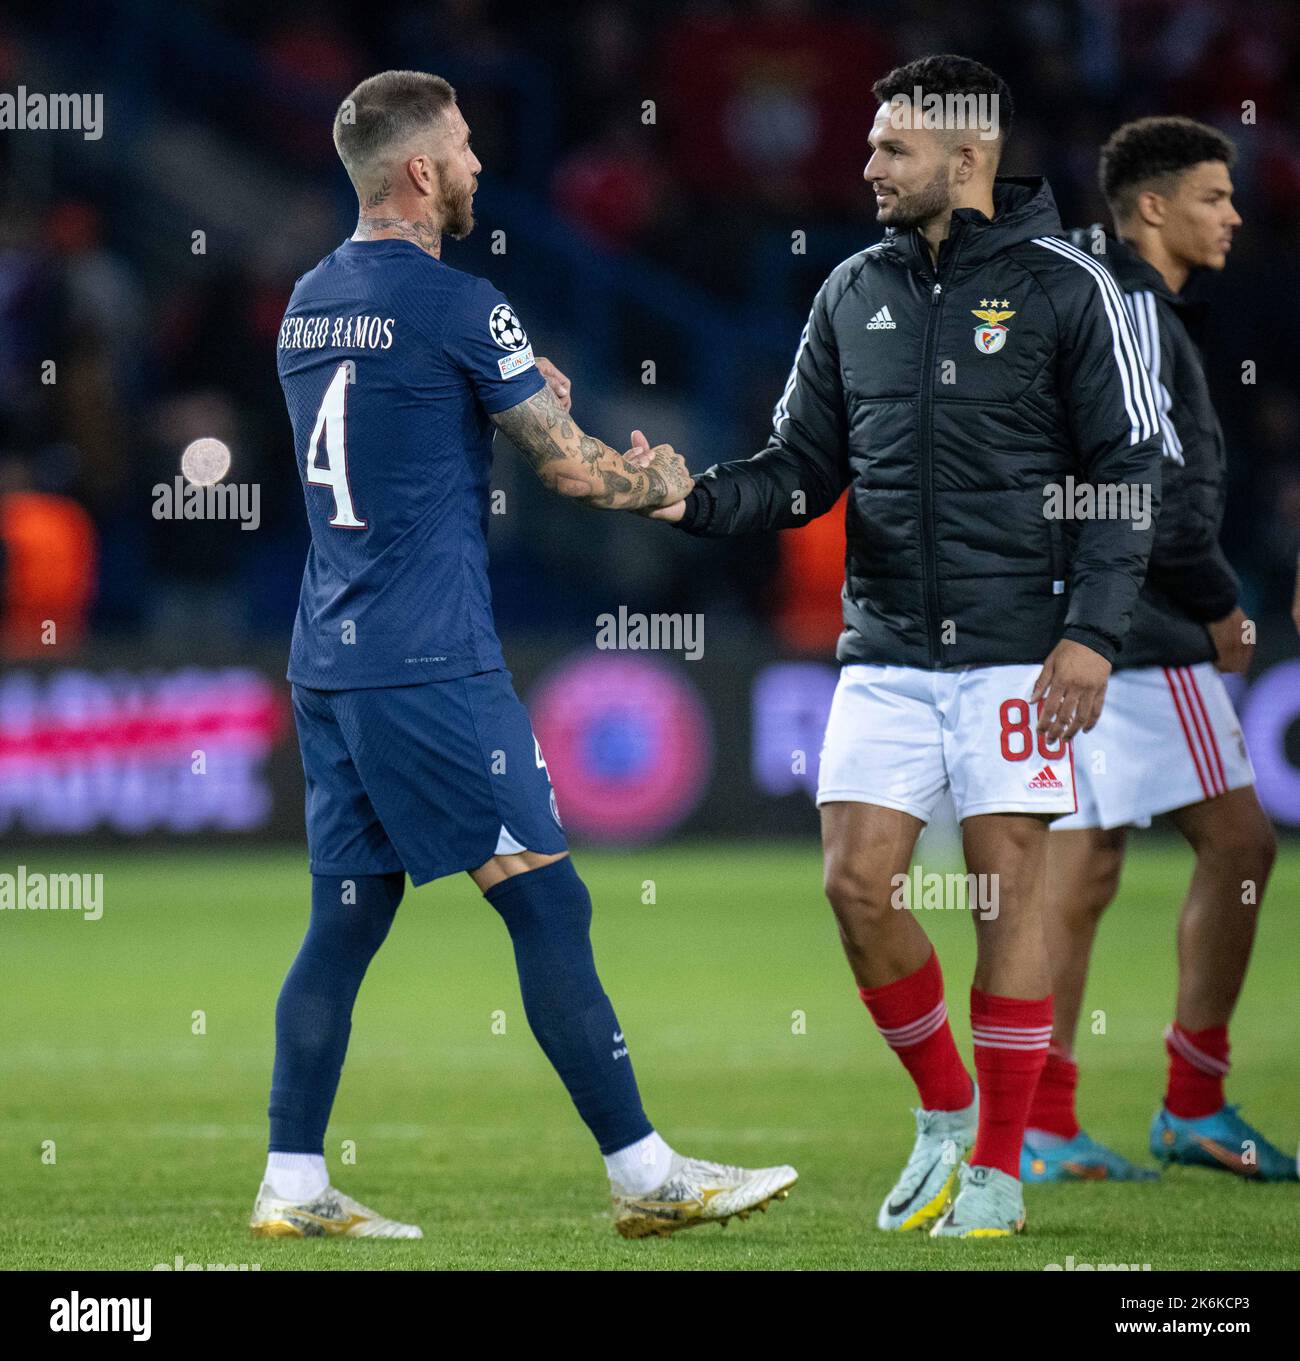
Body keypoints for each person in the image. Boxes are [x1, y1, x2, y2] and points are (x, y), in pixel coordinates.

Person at [254, 69, 797, 1241]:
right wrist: (662, 484)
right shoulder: (460, 301)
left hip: (328, 652)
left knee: (344, 921)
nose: (477, 165)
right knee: (550, 903)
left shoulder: (306, 299)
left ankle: (293, 1183)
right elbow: (566, 465)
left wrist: (503, 400)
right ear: (416, 171)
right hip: (427, 660)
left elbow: (389, 422)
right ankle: (646, 1171)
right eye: (459, 146)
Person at [650, 54, 1163, 1238]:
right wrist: (694, 501)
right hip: (881, 648)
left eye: (891, 146)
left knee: (1003, 891)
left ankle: (995, 1170)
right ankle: (944, 1111)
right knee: (854, 883)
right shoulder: (851, 291)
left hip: (1014, 653)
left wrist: (1090, 631)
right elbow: (799, 469)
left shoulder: (1069, 288)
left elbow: (1127, 471)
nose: (867, 163)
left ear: (964, 155)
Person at [1022, 117, 1294, 1183]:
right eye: (1213, 197)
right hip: (1135, 625)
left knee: (1082, 865)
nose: (1232, 215)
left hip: (1090, 611)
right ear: (1150, 206)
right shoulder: (1130, 307)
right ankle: (1188, 1100)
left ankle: (1049, 1116)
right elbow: (1155, 487)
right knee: (1236, 846)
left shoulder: (1099, 297)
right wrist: (1223, 602)